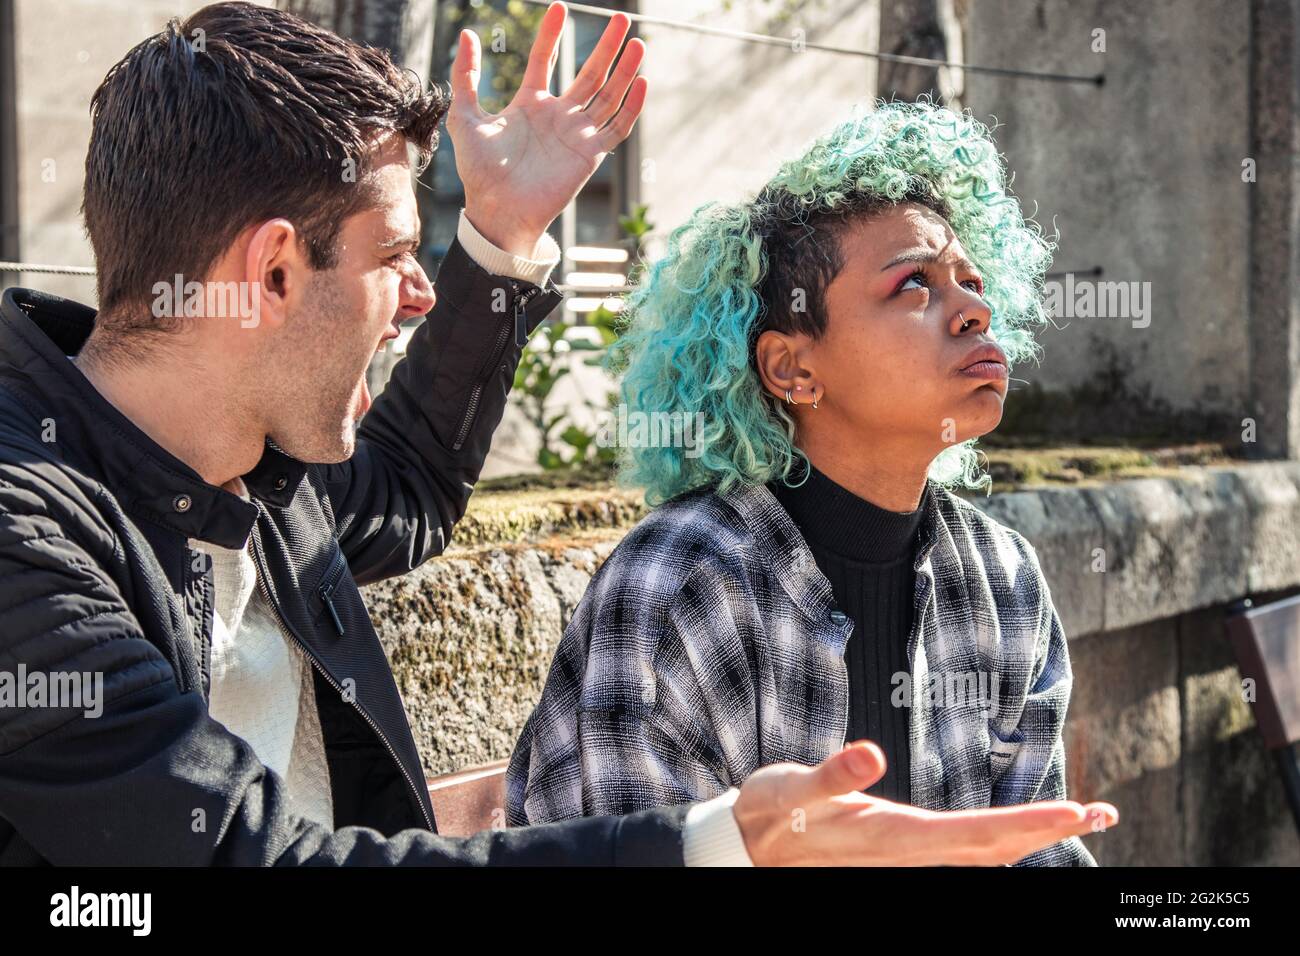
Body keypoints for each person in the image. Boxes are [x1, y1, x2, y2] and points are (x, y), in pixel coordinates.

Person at [0, 2, 1112, 867]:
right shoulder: (25, 535)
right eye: (398, 253)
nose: (419, 291)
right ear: (275, 271)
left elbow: (411, 487)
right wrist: (718, 840)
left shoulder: (257, 467)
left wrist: (501, 232)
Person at [506, 99, 1117, 865]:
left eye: (971, 279)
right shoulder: (679, 585)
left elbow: (1036, 849)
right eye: (913, 286)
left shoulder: (1004, 578)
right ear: (792, 368)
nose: (974, 310)